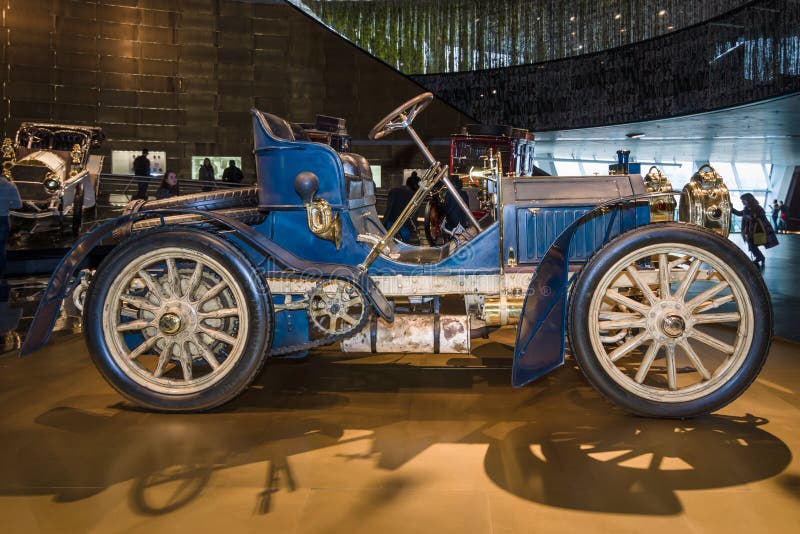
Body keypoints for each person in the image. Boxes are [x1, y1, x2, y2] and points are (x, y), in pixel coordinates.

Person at [731, 193, 778, 268]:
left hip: (758, 229)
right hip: (752, 230)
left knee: (752, 245)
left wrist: (751, 217)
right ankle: (760, 257)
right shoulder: (747, 208)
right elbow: (740, 214)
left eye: (743, 200)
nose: (742, 202)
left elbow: (761, 216)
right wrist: (731, 209)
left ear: (748, 200)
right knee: (752, 245)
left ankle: (760, 257)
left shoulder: (756, 207)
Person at [383, 174, 420, 243]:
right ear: (416, 186)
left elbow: (388, 209)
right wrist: (416, 228)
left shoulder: (393, 191)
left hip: (390, 225)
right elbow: (414, 215)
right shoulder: (413, 196)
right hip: (404, 228)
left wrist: (384, 223)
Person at [0, 173, 22, 289]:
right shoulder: (10, 186)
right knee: (1, 249)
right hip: (3, 219)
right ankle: (1, 277)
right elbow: (18, 205)